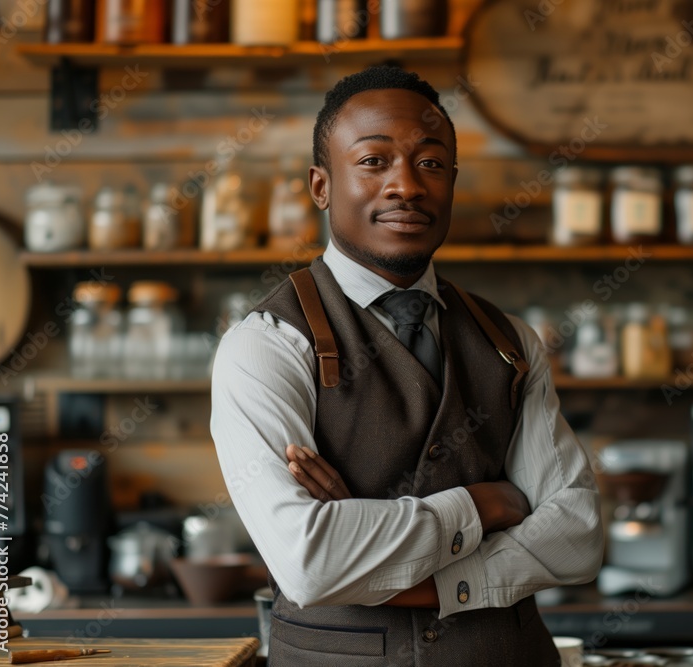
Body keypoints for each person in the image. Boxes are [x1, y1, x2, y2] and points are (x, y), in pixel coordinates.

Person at [210, 65, 603, 666]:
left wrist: (408, 570)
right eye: (373, 161)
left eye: (430, 163)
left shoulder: (510, 340)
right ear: (321, 186)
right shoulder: (264, 346)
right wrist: (484, 507)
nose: (407, 186)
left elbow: (576, 535)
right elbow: (311, 564)